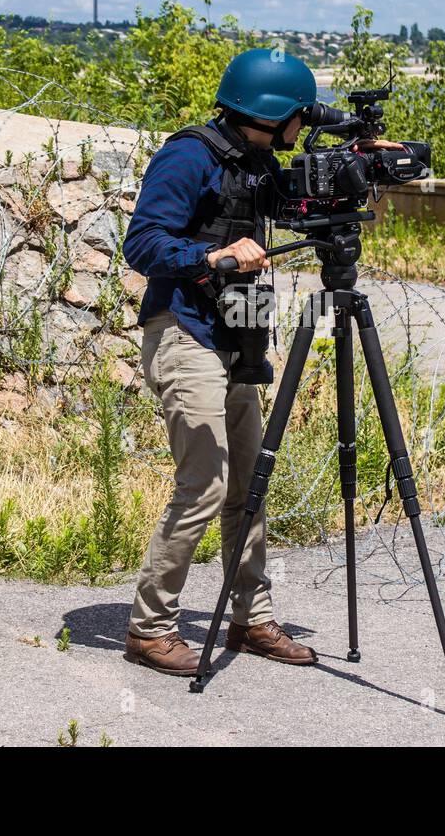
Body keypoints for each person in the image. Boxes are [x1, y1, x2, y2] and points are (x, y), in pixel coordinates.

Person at [121, 49, 320, 676]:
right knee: (204, 485)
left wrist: (363, 164)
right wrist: (212, 256)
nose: (304, 129)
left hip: (239, 336)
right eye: (301, 117)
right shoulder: (189, 155)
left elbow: (303, 207)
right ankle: (150, 628)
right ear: (275, 113)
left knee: (249, 489)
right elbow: (143, 243)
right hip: (186, 331)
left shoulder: (256, 161)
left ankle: (251, 619)